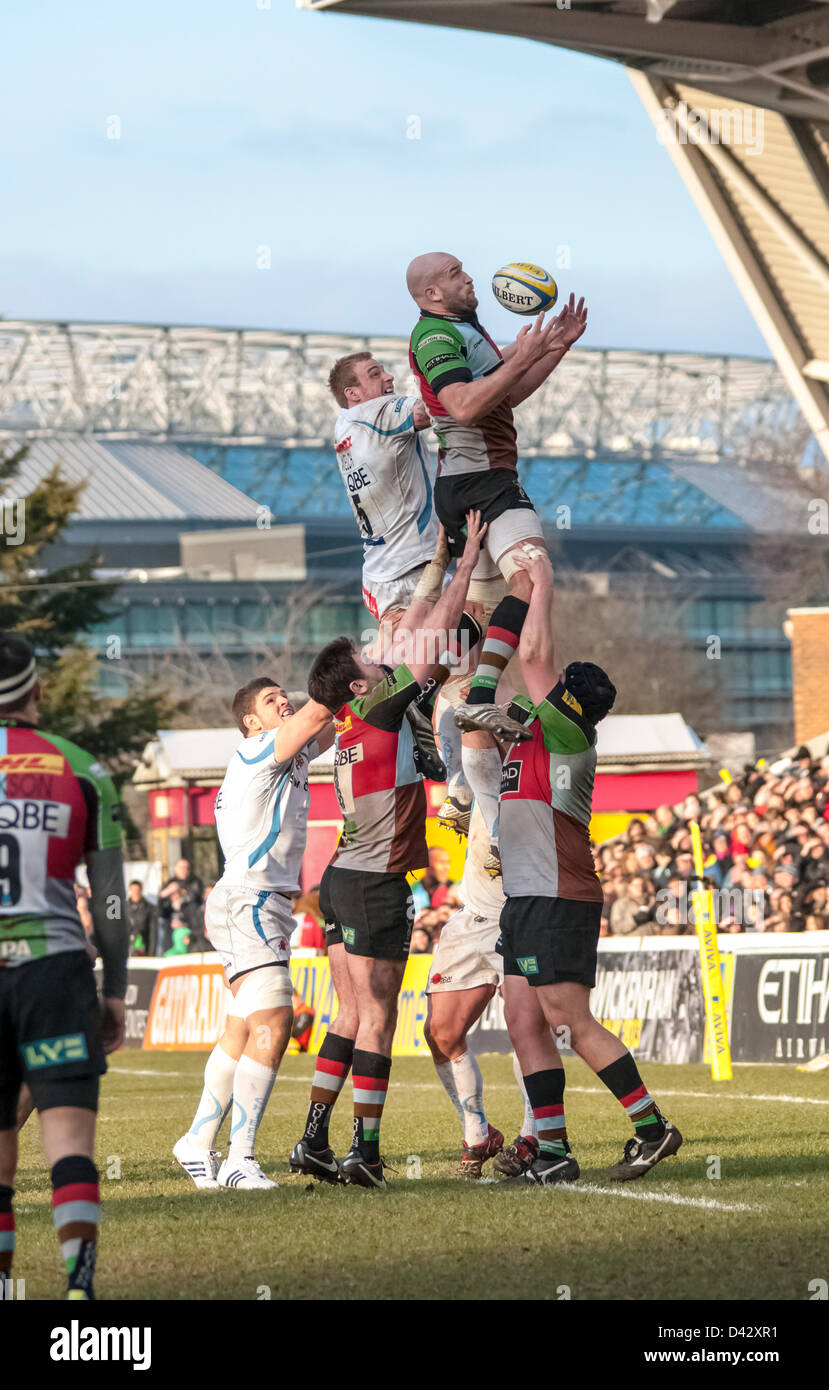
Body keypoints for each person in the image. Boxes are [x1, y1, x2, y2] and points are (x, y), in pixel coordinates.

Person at [289, 511, 486, 1190]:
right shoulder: (378, 709)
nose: (383, 659)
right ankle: (364, 1151)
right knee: (377, 1015)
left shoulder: (350, 727)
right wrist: (462, 568)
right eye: (373, 663)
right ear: (358, 685)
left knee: (347, 1012)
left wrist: (433, 560)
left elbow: (409, 635)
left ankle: (312, 1138)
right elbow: (430, 641)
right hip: (373, 882)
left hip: (341, 876)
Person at [495, 554, 683, 1184]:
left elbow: (533, 655)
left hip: (558, 894)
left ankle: (652, 1128)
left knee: (569, 1020)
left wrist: (542, 586)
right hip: (526, 895)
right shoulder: (544, 731)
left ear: (568, 698)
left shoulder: (569, 732)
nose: (541, 682)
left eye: (555, 684)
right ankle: (552, 1151)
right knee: (523, 1019)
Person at [406, 251, 588, 746]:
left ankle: (426, 697)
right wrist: (524, 355)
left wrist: (554, 350)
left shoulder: (467, 328)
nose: (469, 277)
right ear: (432, 294)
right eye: (455, 273)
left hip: (473, 484)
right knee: (533, 574)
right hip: (482, 483)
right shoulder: (435, 335)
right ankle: (487, 699)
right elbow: (464, 407)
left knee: (486, 616)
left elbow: (505, 394)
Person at [0, 630, 127, 1300]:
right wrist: (114, 990)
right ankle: (79, 1294)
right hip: (53, 970)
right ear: (35, 691)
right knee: (69, 1141)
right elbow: (109, 902)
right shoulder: (81, 766)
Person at [173, 677, 334, 1191]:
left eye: (285, 694)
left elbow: (332, 725)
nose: (284, 701)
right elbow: (318, 716)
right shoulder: (259, 747)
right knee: (276, 1019)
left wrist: (383, 686)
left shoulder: (287, 751)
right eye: (272, 700)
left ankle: (198, 1142)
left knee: (242, 1029)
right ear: (252, 722)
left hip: (252, 899)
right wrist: (353, 670)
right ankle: (241, 1157)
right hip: (251, 900)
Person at [424, 753, 507, 1179]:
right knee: (440, 1032)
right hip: (472, 914)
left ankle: (537, 1139)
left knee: (532, 1030)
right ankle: (478, 1133)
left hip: (519, 914)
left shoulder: (538, 752)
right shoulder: (477, 758)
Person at [125, 879, 153, 955]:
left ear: (141, 890)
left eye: (137, 890)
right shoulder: (124, 907)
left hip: (142, 946)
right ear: (130, 890)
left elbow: (153, 932)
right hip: (127, 946)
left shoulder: (149, 908)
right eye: (133, 890)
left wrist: (151, 953)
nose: (135, 892)